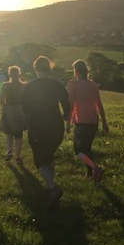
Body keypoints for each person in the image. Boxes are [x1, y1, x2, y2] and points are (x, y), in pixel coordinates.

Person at [20, 56, 72, 207]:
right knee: (49, 156)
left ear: (35, 68)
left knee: (39, 159)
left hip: (37, 125)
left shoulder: (30, 86)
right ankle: (50, 187)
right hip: (56, 125)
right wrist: (64, 116)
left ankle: (53, 188)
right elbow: (67, 105)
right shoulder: (56, 84)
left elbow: (25, 108)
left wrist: (26, 123)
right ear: (49, 68)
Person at [66, 60, 108, 185]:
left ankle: (96, 169)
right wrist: (104, 122)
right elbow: (99, 104)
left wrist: (67, 123)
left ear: (76, 71)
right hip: (93, 120)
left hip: (80, 121)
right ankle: (90, 174)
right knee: (87, 149)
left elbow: (70, 105)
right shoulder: (93, 85)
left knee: (78, 151)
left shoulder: (72, 84)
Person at [0, 65, 26, 166]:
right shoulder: (24, 85)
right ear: (19, 74)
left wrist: (3, 107)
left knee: (9, 133)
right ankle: (18, 156)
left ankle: (9, 151)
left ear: (9, 74)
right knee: (19, 134)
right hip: (20, 110)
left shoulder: (5, 85)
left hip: (9, 109)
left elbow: (2, 99)